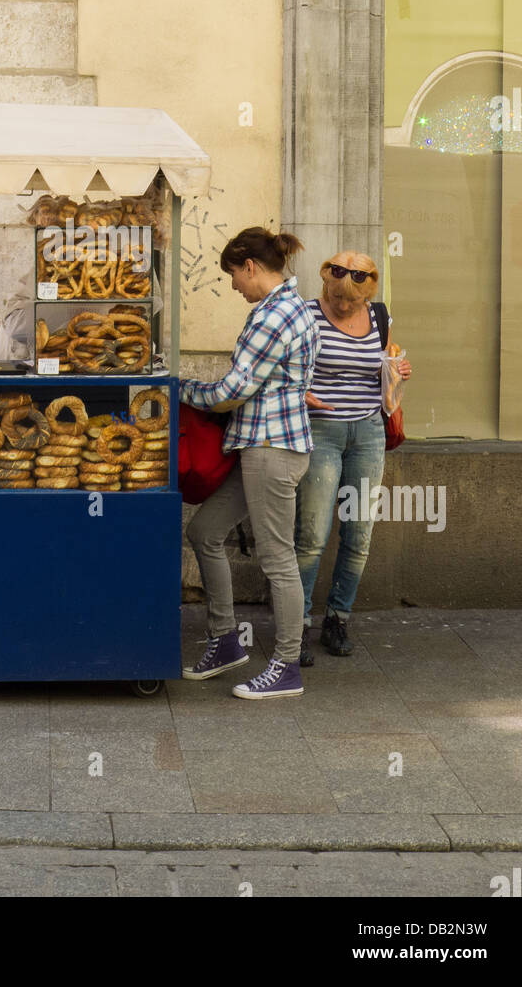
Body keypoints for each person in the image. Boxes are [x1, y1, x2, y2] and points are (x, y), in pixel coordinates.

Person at [181, 227, 318, 699]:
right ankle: (224, 641)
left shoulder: (273, 315)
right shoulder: (294, 306)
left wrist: (182, 390)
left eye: (233, 275)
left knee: (278, 560)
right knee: (204, 532)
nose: (233, 285)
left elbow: (232, 392)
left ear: (251, 267)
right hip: (266, 446)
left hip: (271, 450)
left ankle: (286, 666)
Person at [294, 252, 412, 664]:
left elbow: (385, 366)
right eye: (336, 297)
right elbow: (285, 367)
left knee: (359, 533)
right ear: (326, 284)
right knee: (311, 535)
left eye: (352, 300)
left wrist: (398, 370)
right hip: (320, 431)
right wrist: (298, 392)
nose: (343, 306)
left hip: (368, 431)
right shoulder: (305, 314)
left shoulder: (380, 315)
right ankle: (298, 626)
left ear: (367, 294)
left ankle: (338, 617)